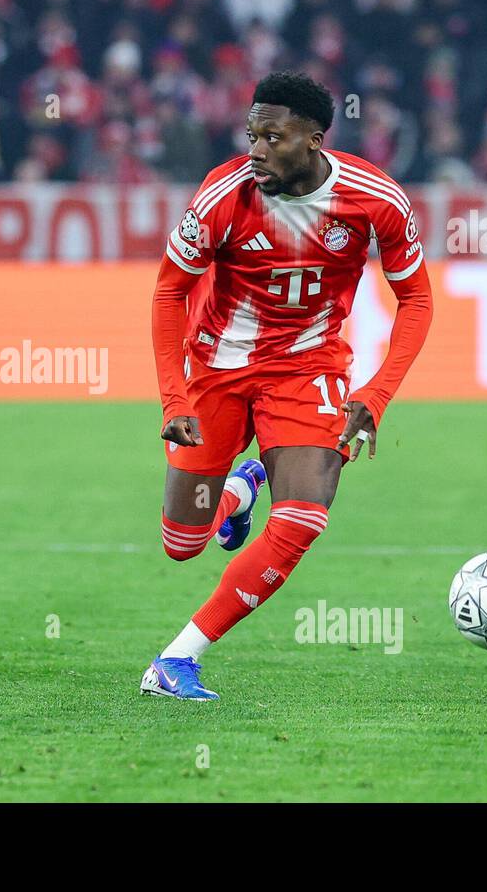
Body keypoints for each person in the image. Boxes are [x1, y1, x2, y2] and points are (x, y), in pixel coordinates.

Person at [142, 71, 433, 699]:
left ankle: (176, 659)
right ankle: (238, 495)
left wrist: (375, 394)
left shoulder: (375, 199)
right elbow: (170, 290)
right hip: (219, 367)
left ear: (314, 140)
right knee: (181, 543)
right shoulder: (222, 195)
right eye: (251, 135)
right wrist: (176, 396)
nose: (256, 150)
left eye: (272, 137)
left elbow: (416, 300)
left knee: (302, 518)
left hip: (309, 367)